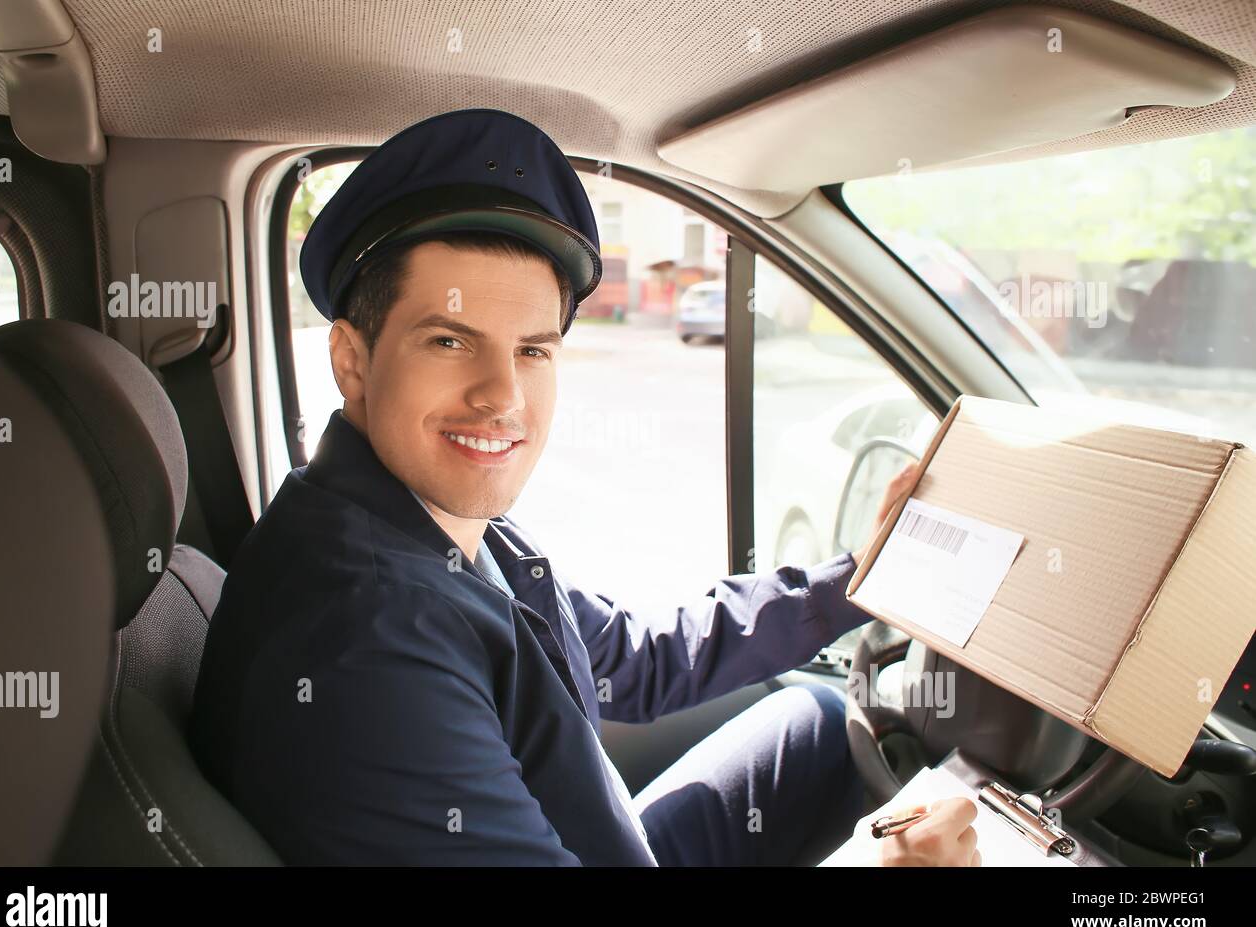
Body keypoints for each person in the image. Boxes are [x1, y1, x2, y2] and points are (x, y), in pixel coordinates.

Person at [189, 108, 977, 866]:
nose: (501, 397)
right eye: (450, 340)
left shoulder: (441, 524)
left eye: (532, 351)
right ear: (353, 361)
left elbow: (636, 658)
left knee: (815, 721)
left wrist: (856, 578)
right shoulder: (364, 650)